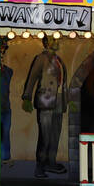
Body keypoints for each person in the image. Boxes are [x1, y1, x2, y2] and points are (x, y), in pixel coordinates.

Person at [23, 37, 67, 178]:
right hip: (46, 100)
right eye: (54, 40)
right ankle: (40, 166)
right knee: (45, 135)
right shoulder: (41, 58)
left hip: (59, 101)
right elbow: (32, 78)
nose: (57, 42)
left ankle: (51, 162)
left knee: (55, 134)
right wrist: (27, 97)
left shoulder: (58, 59)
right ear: (47, 43)